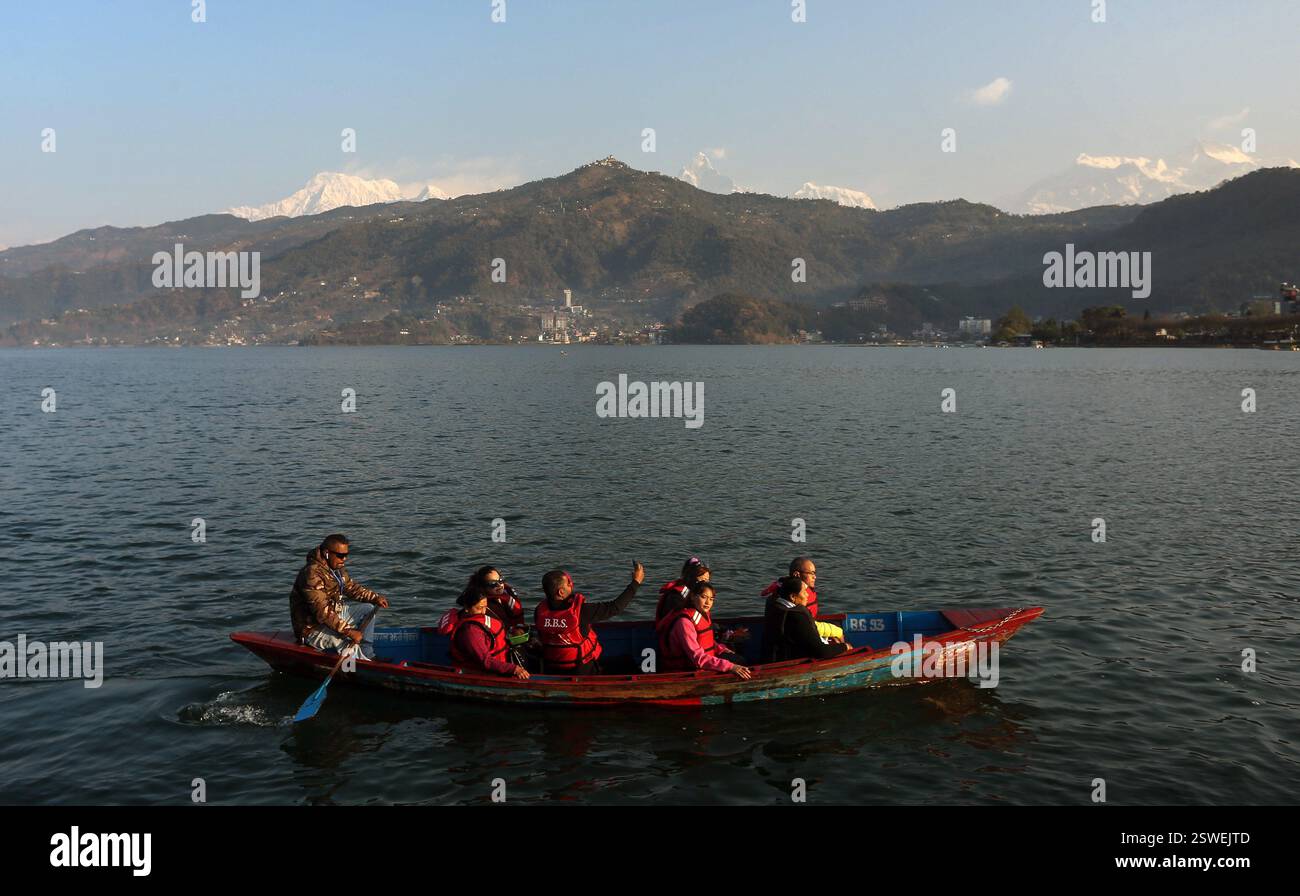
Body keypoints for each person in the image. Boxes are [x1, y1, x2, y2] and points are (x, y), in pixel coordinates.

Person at [290, 534, 390, 660]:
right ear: (327, 553)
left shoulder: (336, 568)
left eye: (346, 555)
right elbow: (323, 613)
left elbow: (350, 587)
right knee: (346, 643)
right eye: (341, 555)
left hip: (333, 614)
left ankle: (368, 654)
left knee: (368, 609)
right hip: (312, 628)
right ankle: (365, 667)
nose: (344, 559)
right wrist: (349, 632)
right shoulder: (311, 574)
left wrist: (374, 598)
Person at [534, 561, 644, 674]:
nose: (571, 584)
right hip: (582, 669)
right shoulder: (581, 611)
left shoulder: (539, 612)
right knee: (627, 661)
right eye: (568, 583)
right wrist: (636, 582)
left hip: (553, 667)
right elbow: (615, 607)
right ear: (561, 592)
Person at [656, 581, 752, 679]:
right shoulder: (684, 622)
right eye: (703, 597)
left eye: (711, 599)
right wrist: (730, 667)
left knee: (739, 659)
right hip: (687, 670)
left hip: (702, 663)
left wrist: (719, 648)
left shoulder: (701, 614)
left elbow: (705, 641)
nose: (708, 603)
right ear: (692, 596)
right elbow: (697, 657)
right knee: (740, 665)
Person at [760, 576, 849, 663]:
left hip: (773, 656)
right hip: (790, 662)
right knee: (841, 646)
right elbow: (820, 652)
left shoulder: (773, 604)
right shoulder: (797, 616)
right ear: (793, 597)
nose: (807, 595)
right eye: (804, 592)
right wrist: (845, 647)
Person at [759, 556, 846, 644]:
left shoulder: (782, 588)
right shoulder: (797, 596)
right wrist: (836, 631)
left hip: (798, 629)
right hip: (801, 632)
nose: (814, 577)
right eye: (811, 573)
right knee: (838, 632)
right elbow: (805, 624)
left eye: (814, 573)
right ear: (797, 574)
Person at [448, 591, 530, 679]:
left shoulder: (482, 619)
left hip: (501, 663)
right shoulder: (470, 631)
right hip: (483, 672)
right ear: (467, 608)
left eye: (485, 607)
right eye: (479, 608)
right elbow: (485, 661)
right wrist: (514, 669)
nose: (483, 612)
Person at [655, 556, 711, 621]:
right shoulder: (677, 597)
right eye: (701, 580)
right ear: (690, 577)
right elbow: (680, 621)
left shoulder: (698, 595)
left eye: (707, 580)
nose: (704, 584)